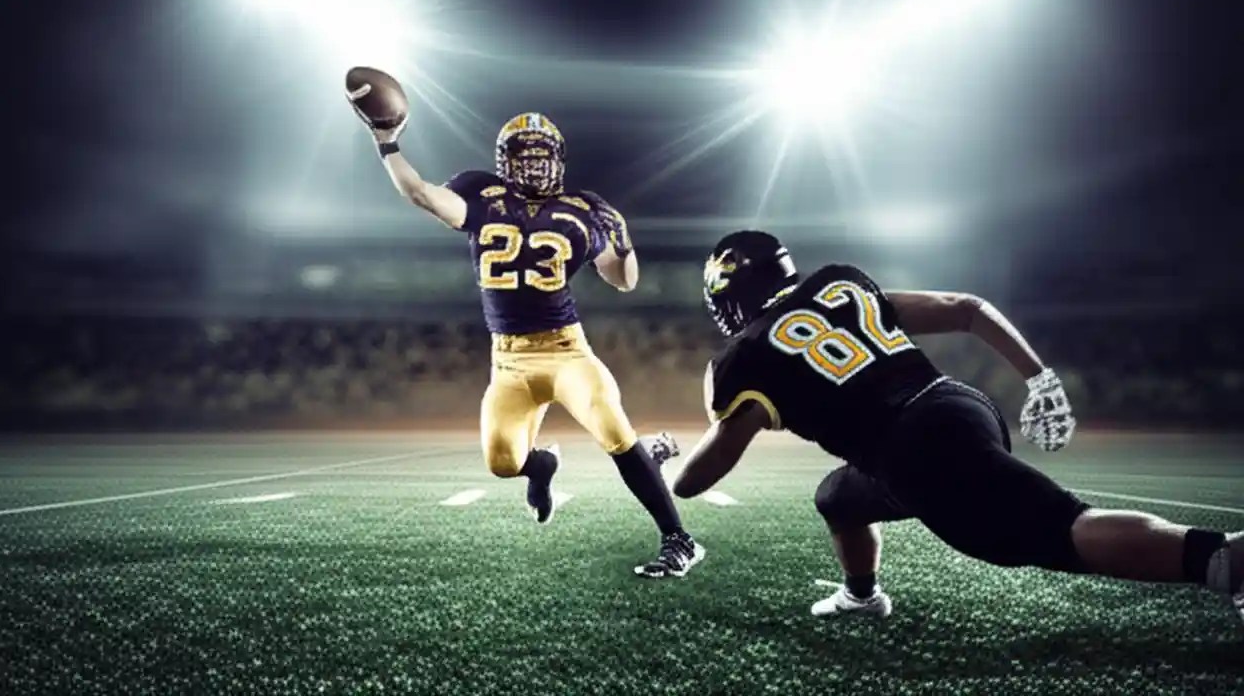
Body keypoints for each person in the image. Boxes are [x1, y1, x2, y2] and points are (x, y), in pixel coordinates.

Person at [673, 229, 1242, 619]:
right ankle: (861, 596)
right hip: (956, 406)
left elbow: (693, 481)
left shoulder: (743, 358)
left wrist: (701, 426)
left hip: (916, 450)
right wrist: (1039, 378)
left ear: (726, 292)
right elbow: (967, 308)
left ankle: (1223, 557)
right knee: (840, 497)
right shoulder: (839, 283)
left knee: (1060, 529)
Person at [349, 102, 703, 578]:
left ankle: (678, 540)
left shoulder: (582, 209)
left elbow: (623, 280)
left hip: (566, 352)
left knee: (614, 432)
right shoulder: (480, 192)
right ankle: (540, 467)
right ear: (505, 162)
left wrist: (625, 243)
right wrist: (386, 141)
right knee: (500, 462)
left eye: (542, 156)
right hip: (508, 362)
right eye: (524, 156)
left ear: (557, 160)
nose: (534, 165)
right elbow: (422, 194)